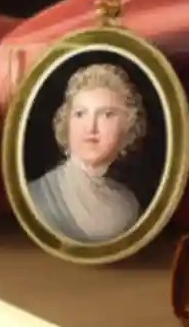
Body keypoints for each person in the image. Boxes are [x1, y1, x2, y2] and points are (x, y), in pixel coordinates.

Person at [27, 62, 147, 243]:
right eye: (80, 114)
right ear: (67, 123)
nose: (91, 127)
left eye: (106, 114)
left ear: (128, 127)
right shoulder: (36, 196)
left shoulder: (127, 203)